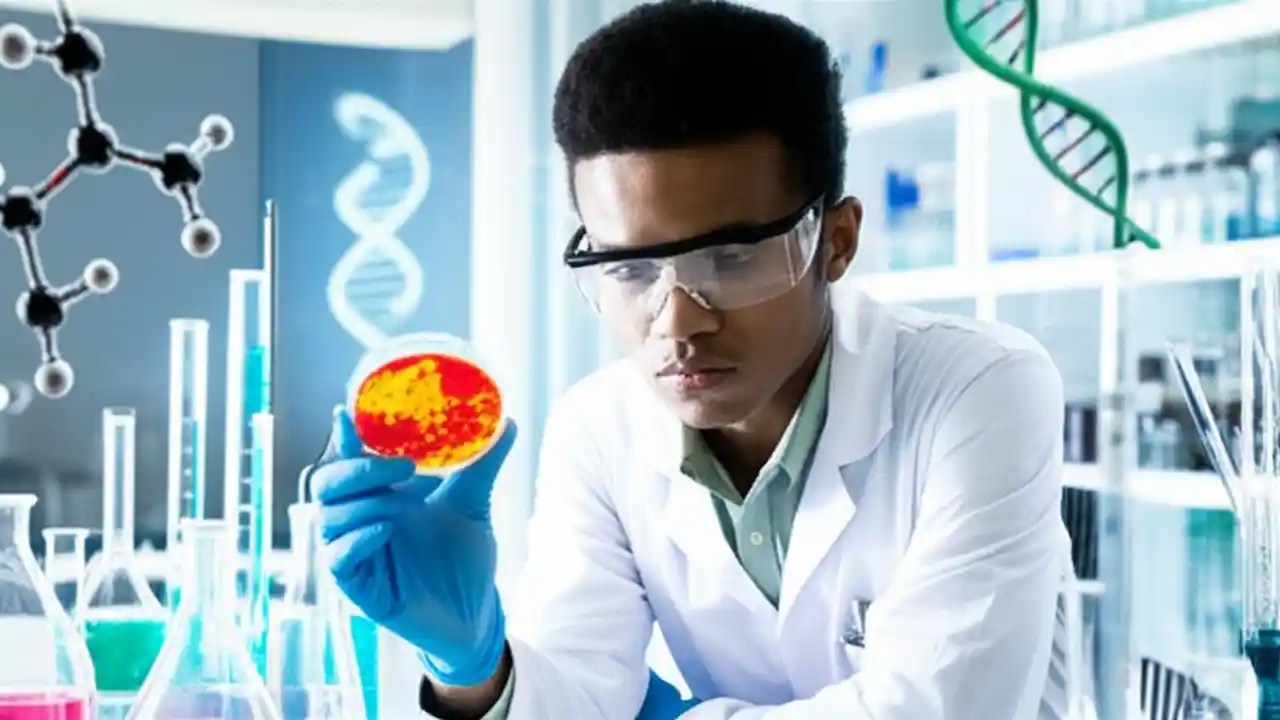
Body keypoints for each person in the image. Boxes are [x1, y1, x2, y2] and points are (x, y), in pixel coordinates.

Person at [313, 1, 1073, 718]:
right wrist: (474, 669)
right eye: (628, 269)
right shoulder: (598, 428)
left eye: (731, 258)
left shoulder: (981, 389)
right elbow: (576, 690)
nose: (676, 322)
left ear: (835, 241)